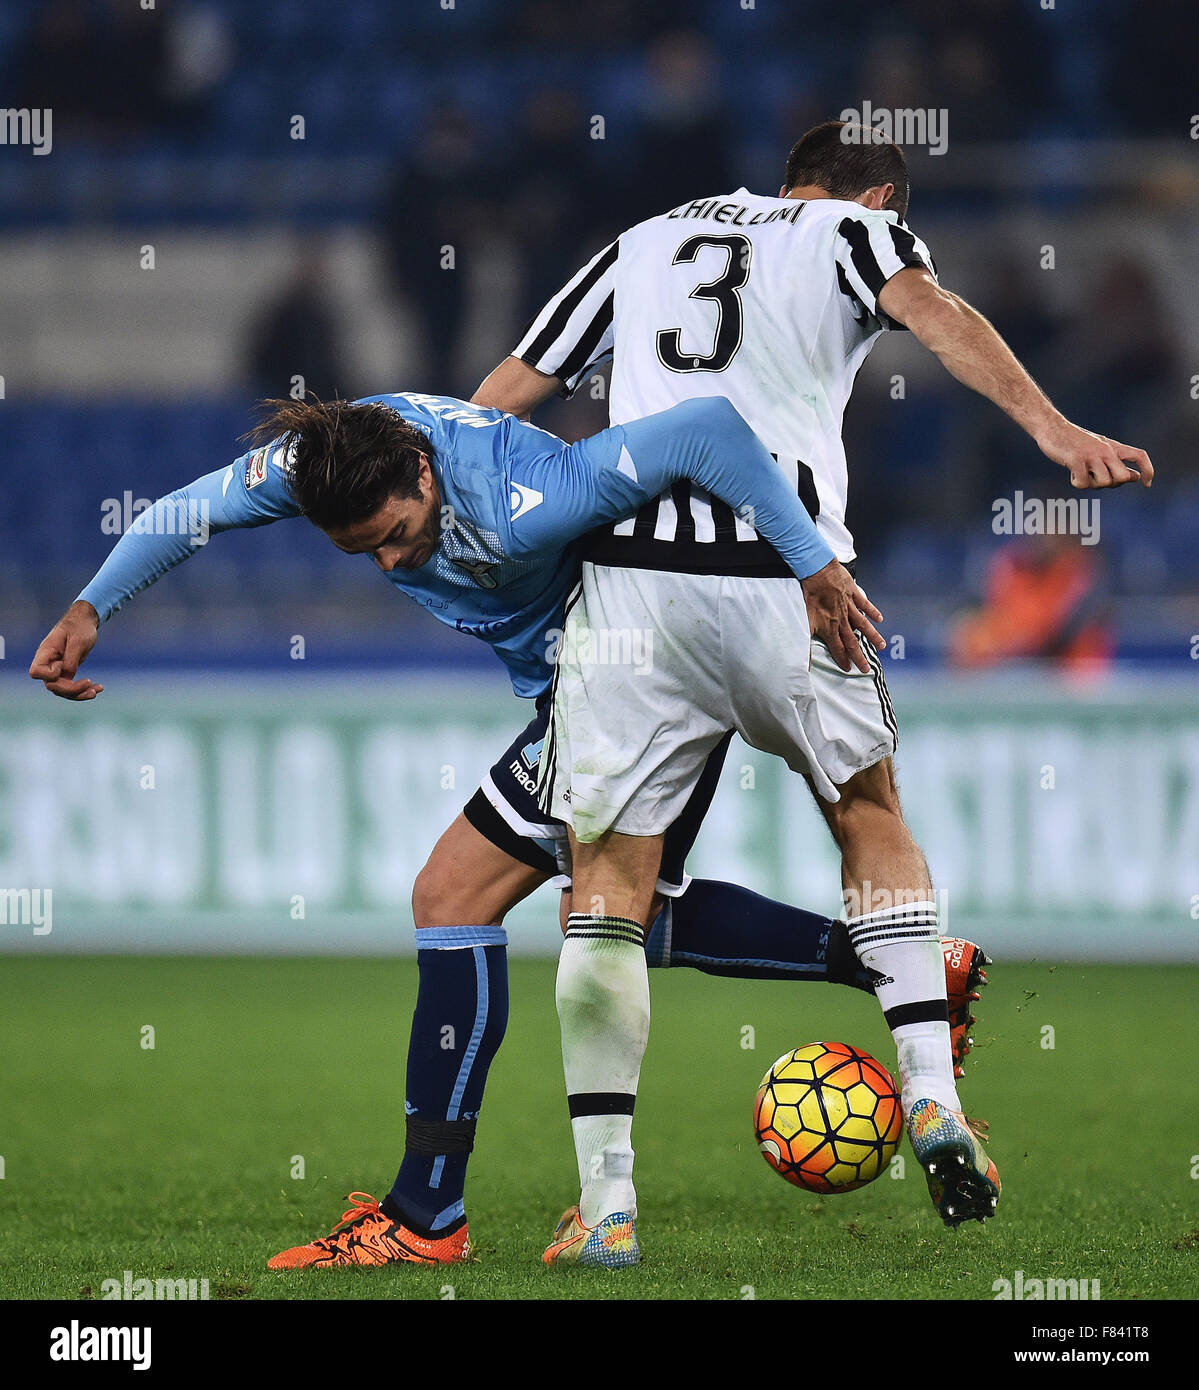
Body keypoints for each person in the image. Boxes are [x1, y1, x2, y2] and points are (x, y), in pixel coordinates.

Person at [471, 120, 1154, 1263]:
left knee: (605, 890)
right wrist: (1051, 426)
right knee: (866, 814)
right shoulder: (857, 231)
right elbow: (937, 317)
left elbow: (502, 399)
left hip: (633, 589)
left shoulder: (644, 238)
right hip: (791, 576)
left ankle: (606, 1209)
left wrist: (485, 535)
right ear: (880, 191)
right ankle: (928, 1090)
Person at [30, 387, 894, 1267]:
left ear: (423, 472)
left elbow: (707, 429)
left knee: (454, 894)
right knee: (614, 921)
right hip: (587, 686)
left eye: (396, 537)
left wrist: (812, 561)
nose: (392, 566)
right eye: (361, 554)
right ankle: (891, 963)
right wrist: (90, 607)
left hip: (629, 682)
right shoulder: (326, 463)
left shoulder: (527, 497)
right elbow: (187, 511)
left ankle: (426, 1213)